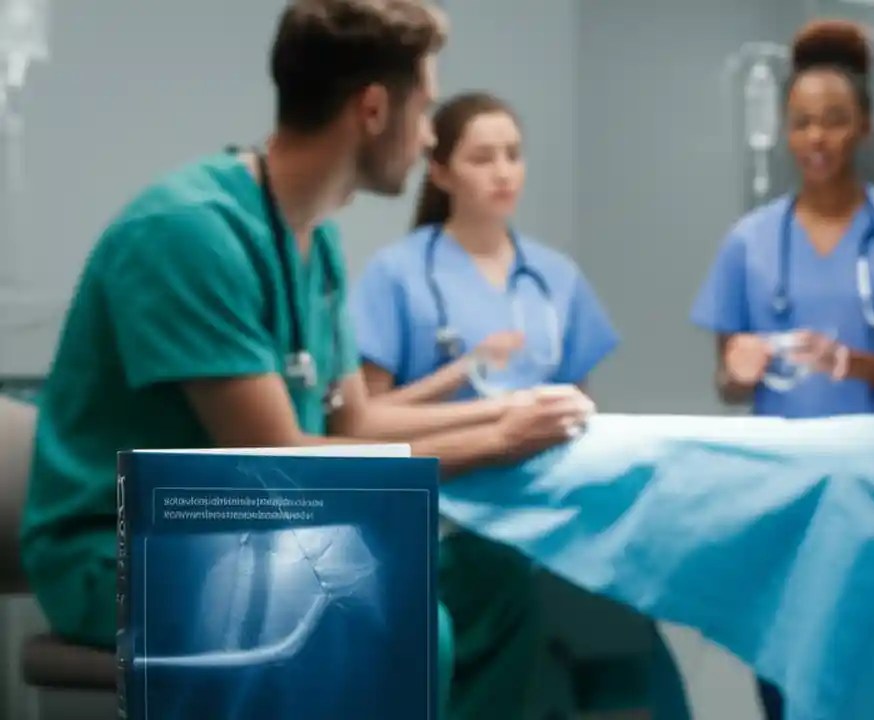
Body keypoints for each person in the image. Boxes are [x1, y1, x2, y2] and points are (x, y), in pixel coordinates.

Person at [18, 2, 593, 715]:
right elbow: (281, 457)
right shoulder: (188, 233)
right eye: (426, 114)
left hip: (247, 531)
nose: (425, 141)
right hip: (123, 551)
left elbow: (354, 420)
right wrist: (497, 441)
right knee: (414, 624)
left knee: (494, 582)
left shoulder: (311, 238)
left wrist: (507, 411)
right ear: (375, 108)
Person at [687, 18, 874, 719]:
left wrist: (850, 361)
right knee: (785, 671)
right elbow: (729, 385)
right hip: (783, 494)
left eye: (834, 121)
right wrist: (740, 367)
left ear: (865, 127)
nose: (815, 139)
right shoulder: (749, 244)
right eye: (801, 124)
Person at [352, 91, 620, 719]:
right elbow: (363, 419)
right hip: (447, 512)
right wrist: (466, 374)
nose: (503, 172)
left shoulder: (554, 277)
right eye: (481, 157)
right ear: (440, 171)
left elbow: (581, 406)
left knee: (619, 639)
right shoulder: (397, 274)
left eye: (513, 155)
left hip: (547, 511)